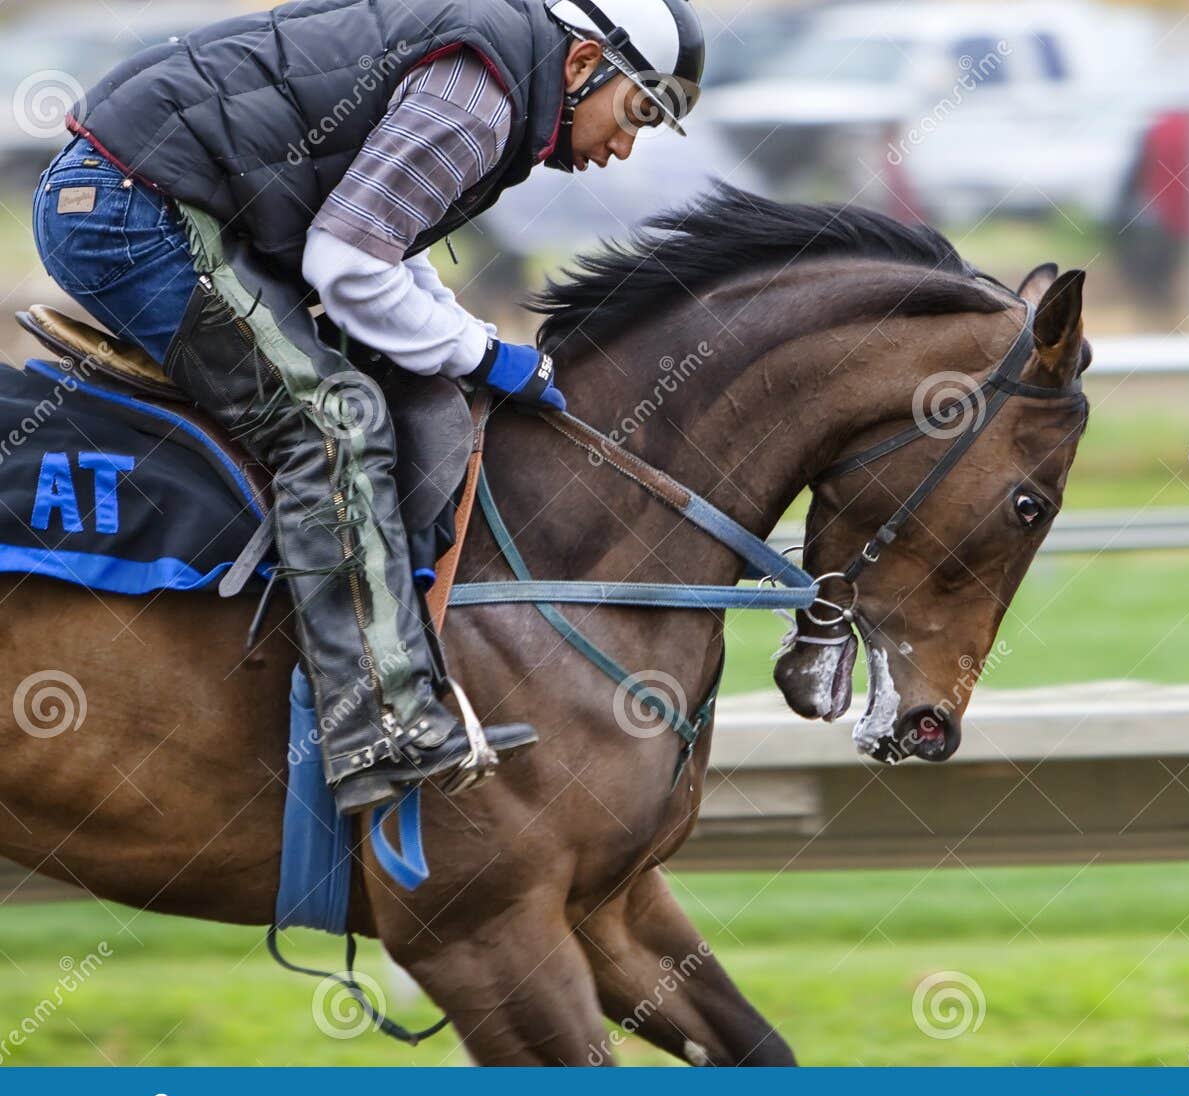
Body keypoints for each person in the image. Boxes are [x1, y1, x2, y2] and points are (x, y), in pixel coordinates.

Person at [31, 0, 706, 815]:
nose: (625, 146)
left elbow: (384, 246)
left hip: (155, 198)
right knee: (334, 421)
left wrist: (474, 343)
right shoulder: (479, 98)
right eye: (636, 110)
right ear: (581, 62)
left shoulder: (495, 77)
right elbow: (347, 263)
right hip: (133, 214)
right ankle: (377, 723)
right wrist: (487, 354)